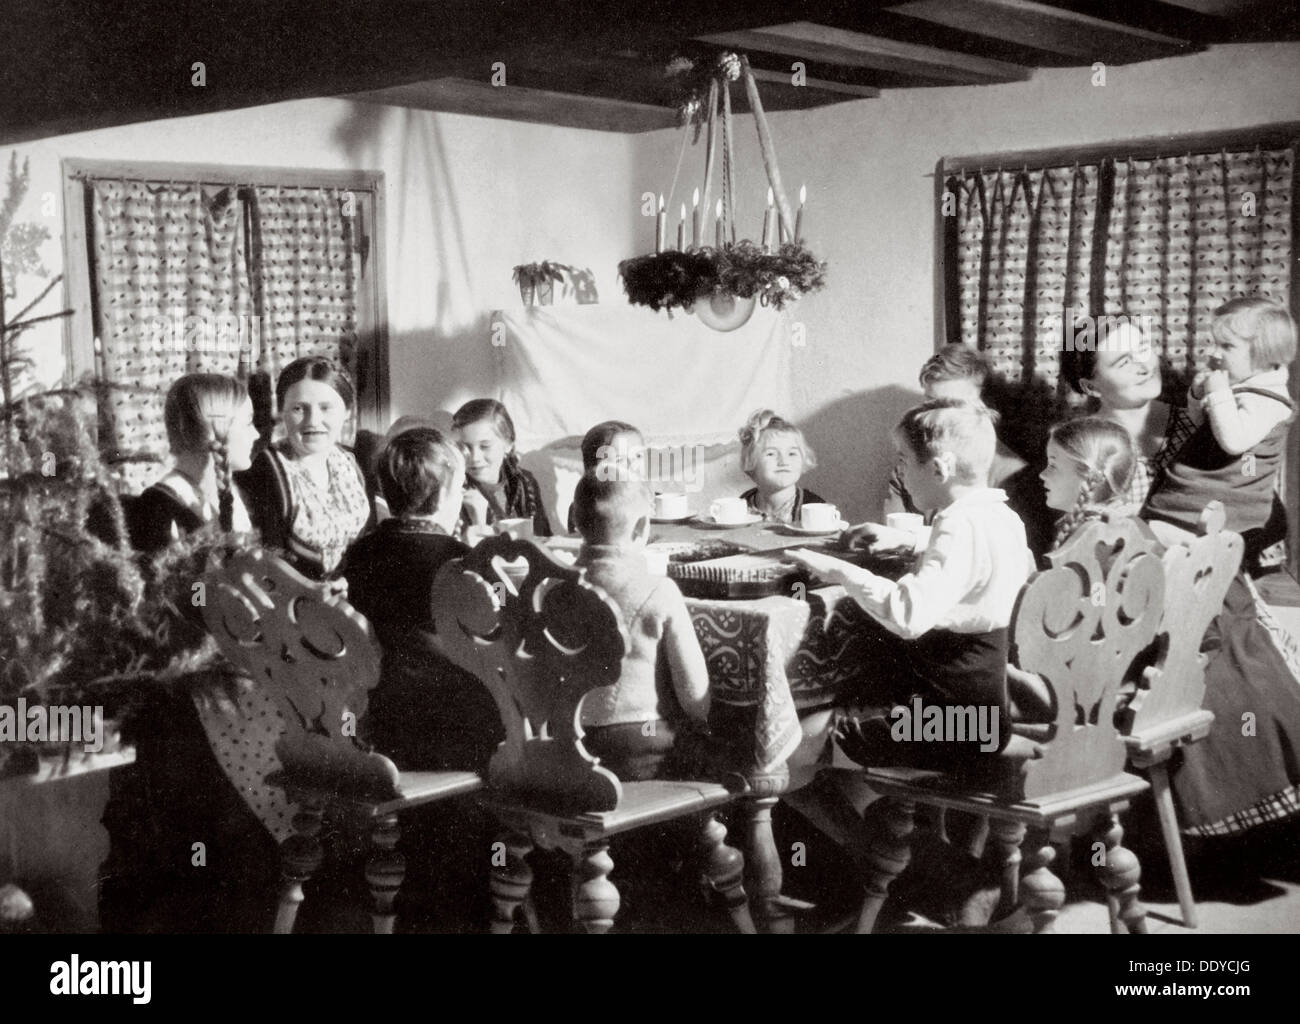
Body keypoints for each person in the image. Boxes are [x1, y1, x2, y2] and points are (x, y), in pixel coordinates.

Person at [786, 400, 1038, 778]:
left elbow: (909, 616)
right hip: (983, 719)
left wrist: (840, 572)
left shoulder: (957, 527)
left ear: (939, 469)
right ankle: (867, 830)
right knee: (828, 733)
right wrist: (910, 541)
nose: (901, 473)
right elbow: (974, 558)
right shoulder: (1001, 517)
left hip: (947, 727)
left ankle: (835, 834)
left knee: (794, 742)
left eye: (904, 460)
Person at [341, 427, 503, 773]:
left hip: (380, 719)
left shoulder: (360, 553)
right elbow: (495, 625)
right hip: (453, 727)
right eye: (461, 487)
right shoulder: (461, 562)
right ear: (446, 493)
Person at [571, 475, 712, 781]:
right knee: (719, 744)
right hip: (640, 739)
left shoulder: (555, 584)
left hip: (569, 742)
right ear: (641, 528)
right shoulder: (659, 590)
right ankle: (703, 823)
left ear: (574, 518)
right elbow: (696, 699)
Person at [852, 344, 1050, 557]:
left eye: (952, 405)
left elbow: (999, 553)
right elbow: (890, 541)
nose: (937, 416)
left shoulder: (1016, 476)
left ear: (983, 405)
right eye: (930, 404)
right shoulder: (911, 462)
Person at [1007, 416, 1141, 721]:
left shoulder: (1092, 544)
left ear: (1087, 476)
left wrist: (1028, 581)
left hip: (1080, 687)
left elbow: (1068, 625)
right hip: (1109, 675)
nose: (1042, 474)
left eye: (1053, 465)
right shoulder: (1127, 527)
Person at [1143, 298, 1295, 555]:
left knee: (1158, 527)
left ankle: (1186, 544)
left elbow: (1234, 442)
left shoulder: (1268, 400)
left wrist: (1219, 395)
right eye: (1215, 343)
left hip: (1236, 496)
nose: (1214, 353)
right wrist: (1198, 395)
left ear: (1265, 355)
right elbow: (1200, 423)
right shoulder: (1244, 385)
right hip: (1217, 485)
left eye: (1227, 346)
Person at [235, 356, 372, 580]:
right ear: (282, 412)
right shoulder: (265, 471)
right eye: (299, 409)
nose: (313, 420)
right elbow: (267, 567)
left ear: (347, 411)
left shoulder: (353, 463)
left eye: (326, 408)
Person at [129, 373, 258, 552]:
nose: (256, 435)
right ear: (215, 430)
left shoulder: (236, 493)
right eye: (247, 424)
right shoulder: (158, 509)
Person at [453, 398, 552, 538]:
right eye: (465, 447)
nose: (474, 457)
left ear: (508, 444)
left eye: (485, 446)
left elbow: (544, 539)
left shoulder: (525, 483)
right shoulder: (452, 491)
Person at [736, 409, 826, 524]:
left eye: (791, 454)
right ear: (751, 461)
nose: (783, 461)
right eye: (771, 454)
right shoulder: (743, 503)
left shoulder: (814, 506)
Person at [566, 419, 645, 534]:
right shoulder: (591, 507)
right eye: (620, 459)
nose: (633, 465)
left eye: (638, 456)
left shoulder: (645, 500)